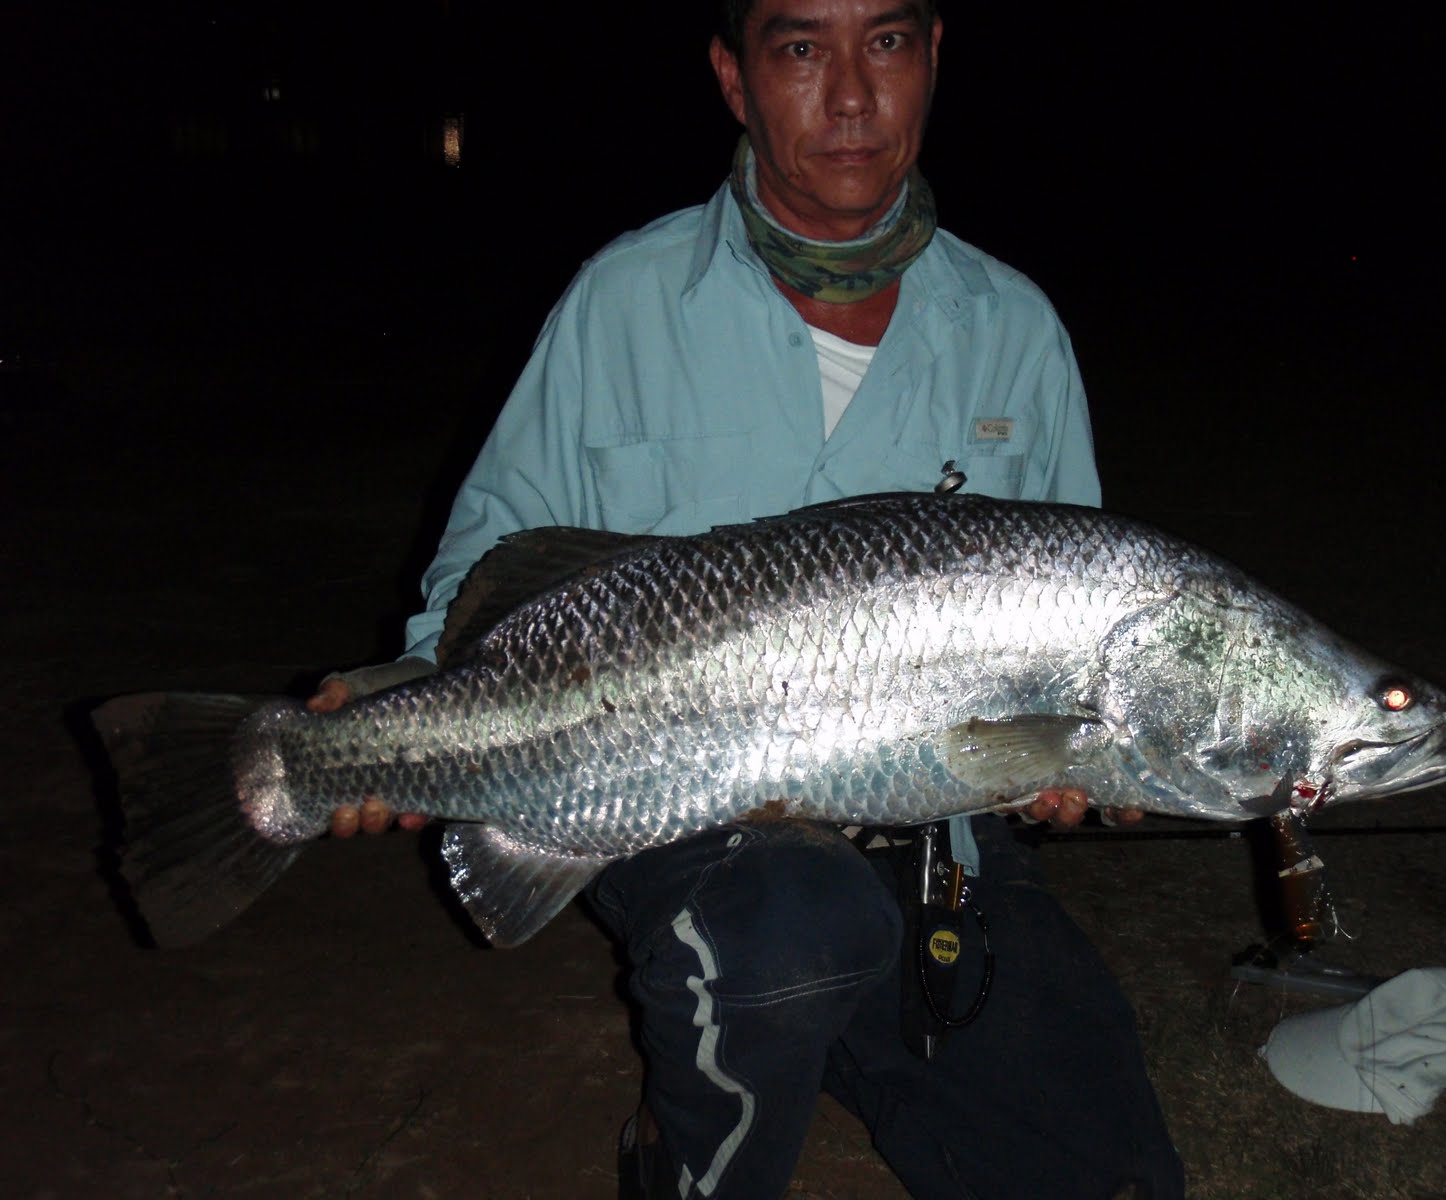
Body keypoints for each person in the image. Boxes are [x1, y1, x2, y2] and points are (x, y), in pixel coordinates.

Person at [311, 2, 1185, 1196]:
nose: (848, 95)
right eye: (798, 48)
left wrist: (1094, 764)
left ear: (934, 59)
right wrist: (401, 709)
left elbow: (1076, 633)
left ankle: (824, 1030)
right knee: (793, 927)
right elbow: (494, 565)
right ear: (733, 77)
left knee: (1104, 1174)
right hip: (650, 790)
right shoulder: (624, 301)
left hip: (931, 838)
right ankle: (689, 1141)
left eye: (885, 43)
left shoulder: (1015, 331)